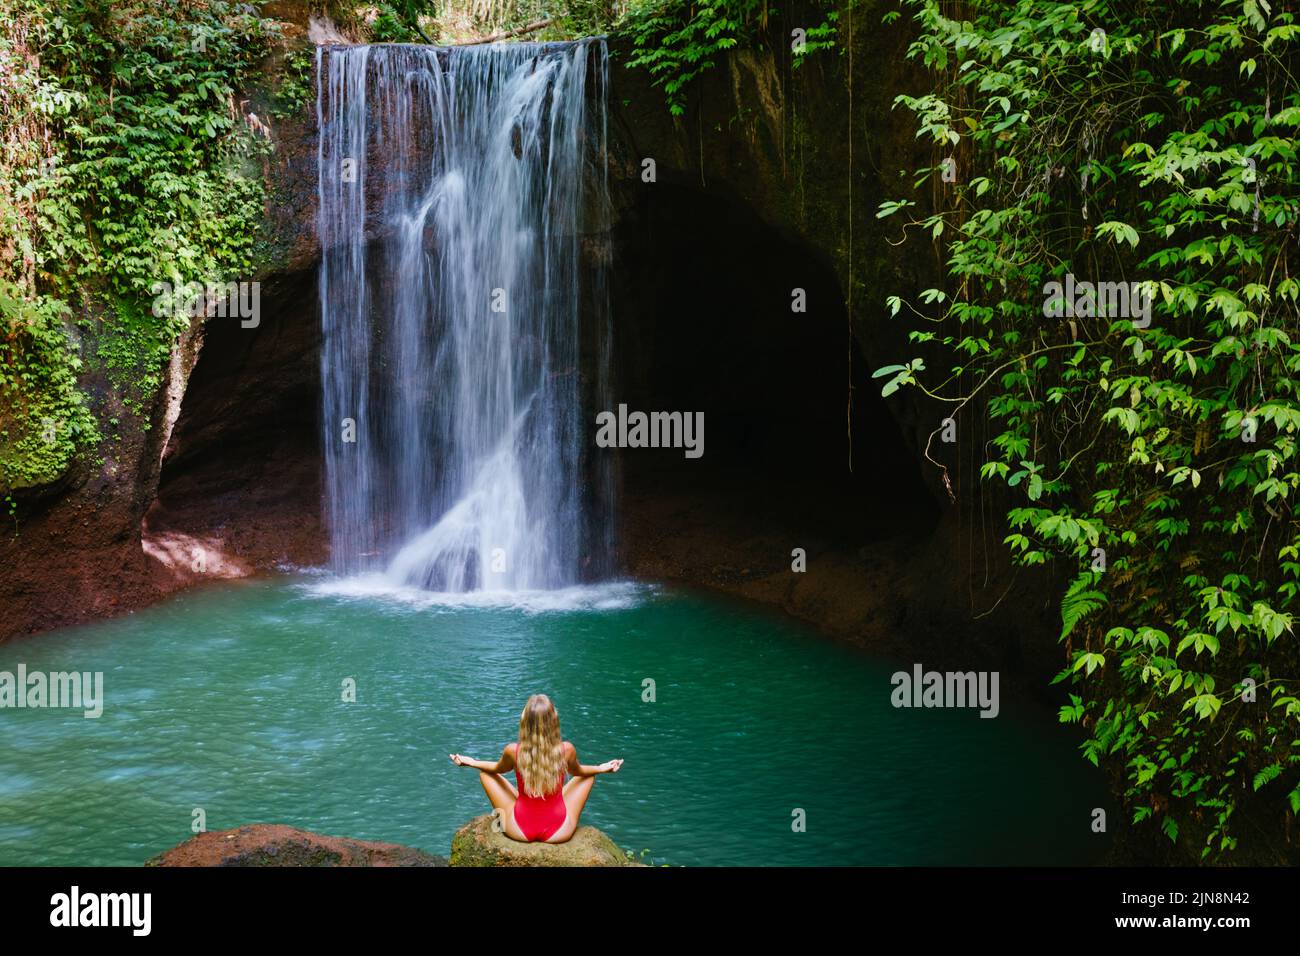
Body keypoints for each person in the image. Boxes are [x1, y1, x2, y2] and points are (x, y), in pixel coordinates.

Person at [450, 693, 623, 844]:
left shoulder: (513, 751)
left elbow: (496, 769)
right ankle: (543, 806)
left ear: (525, 723)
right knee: (590, 775)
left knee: (486, 775)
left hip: (518, 830)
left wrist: (472, 762)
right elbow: (579, 772)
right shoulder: (566, 750)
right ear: (553, 722)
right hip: (559, 832)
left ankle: (523, 807)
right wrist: (600, 768)